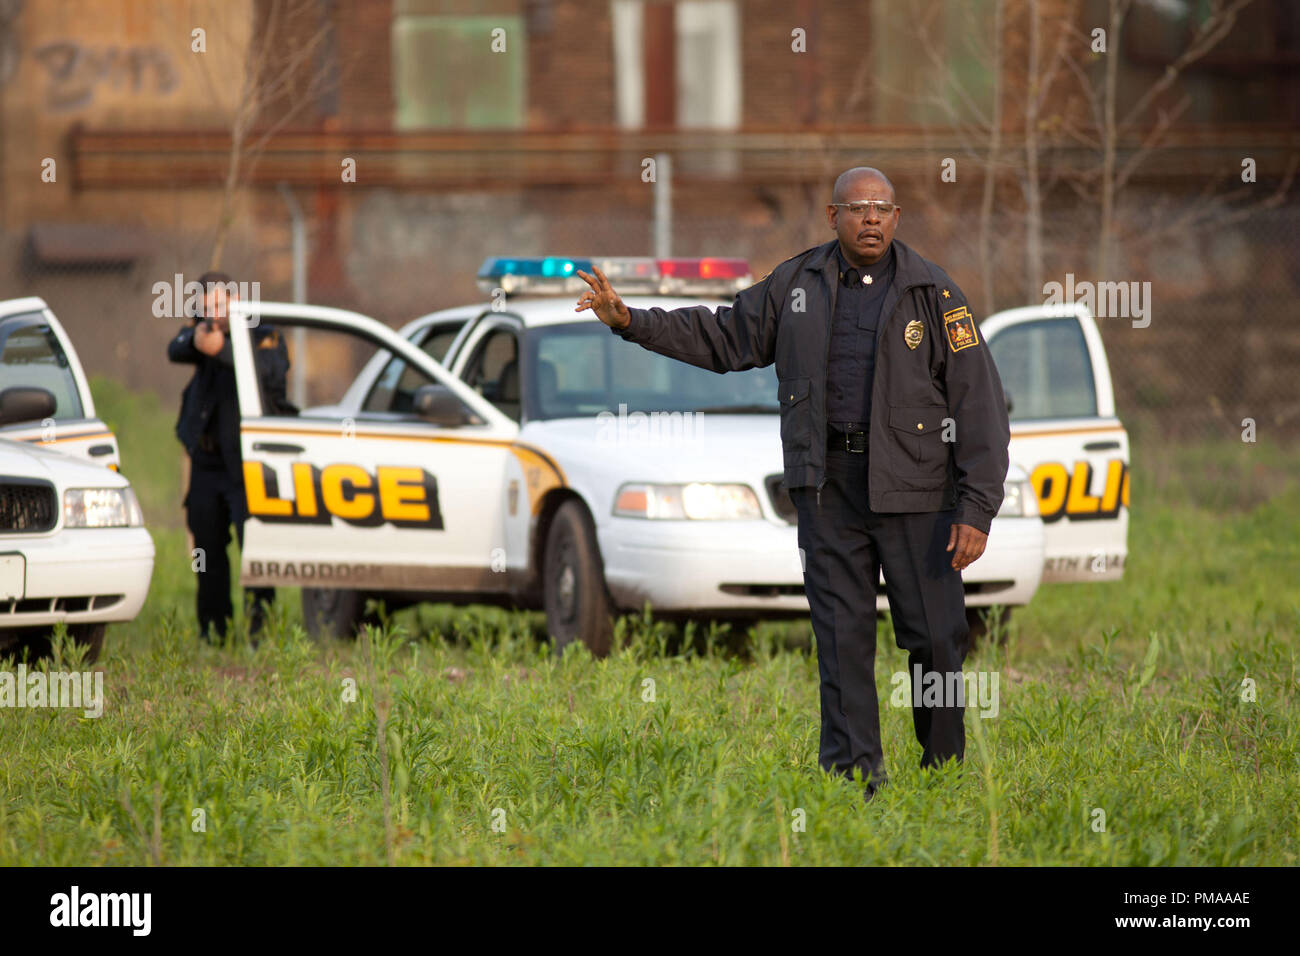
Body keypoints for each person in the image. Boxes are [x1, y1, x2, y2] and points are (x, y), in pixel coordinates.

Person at [576, 167, 1010, 800]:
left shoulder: (934, 294)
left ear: (896, 218)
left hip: (917, 495)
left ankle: (942, 774)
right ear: (832, 216)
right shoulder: (796, 283)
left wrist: (977, 507)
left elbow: (979, 405)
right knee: (840, 639)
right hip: (827, 490)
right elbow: (723, 337)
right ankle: (854, 782)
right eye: (857, 208)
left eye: (882, 208)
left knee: (935, 642)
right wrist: (629, 320)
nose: (870, 219)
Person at [168, 271, 293, 642]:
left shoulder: (262, 333)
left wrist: (221, 349)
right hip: (207, 464)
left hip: (249, 462)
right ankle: (213, 630)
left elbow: (269, 370)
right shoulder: (200, 333)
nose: (216, 314)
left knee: (255, 547)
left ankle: (260, 630)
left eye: (221, 305)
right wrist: (199, 336)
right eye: (208, 308)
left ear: (236, 299)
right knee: (207, 548)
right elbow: (175, 347)